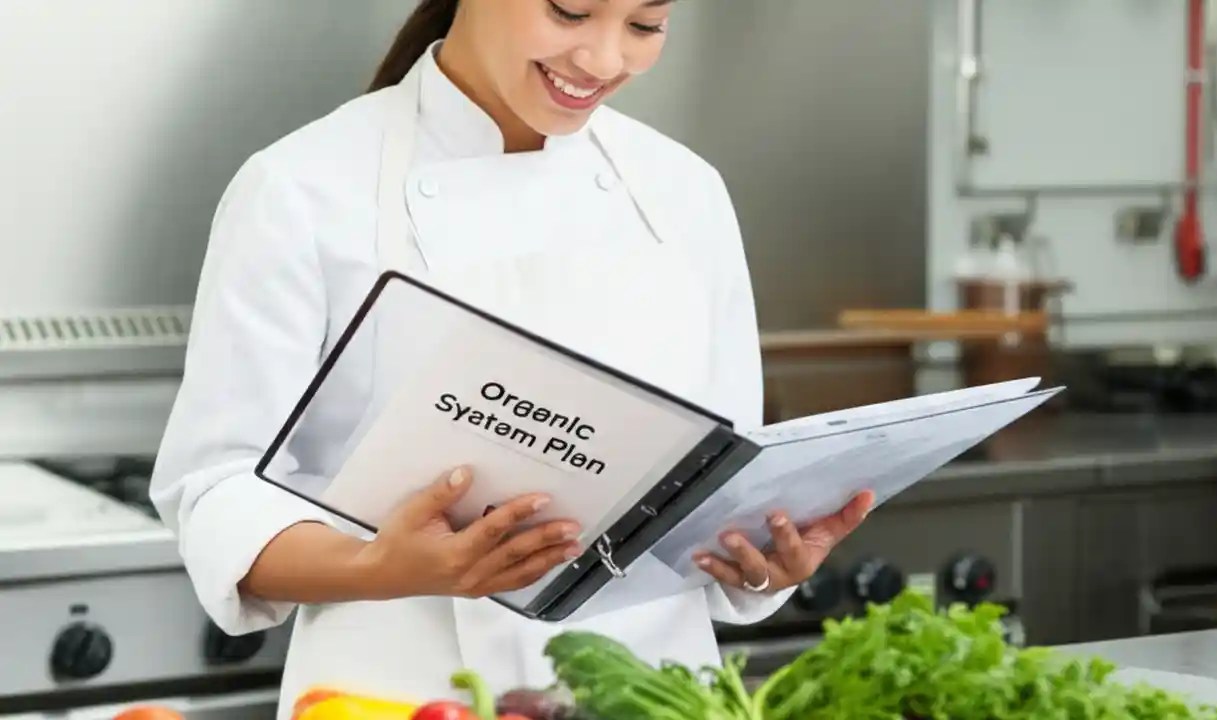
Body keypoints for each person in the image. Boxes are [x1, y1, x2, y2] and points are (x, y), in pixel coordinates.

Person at [149, 0, 875, 716]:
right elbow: (217, 490)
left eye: (645, 26)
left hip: (655, 695)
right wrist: (376, 566)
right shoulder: (302, 189)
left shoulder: (684, 193)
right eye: (569, 13)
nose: (604, 59)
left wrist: (762, 559)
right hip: (400, 692)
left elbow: (720, 476)